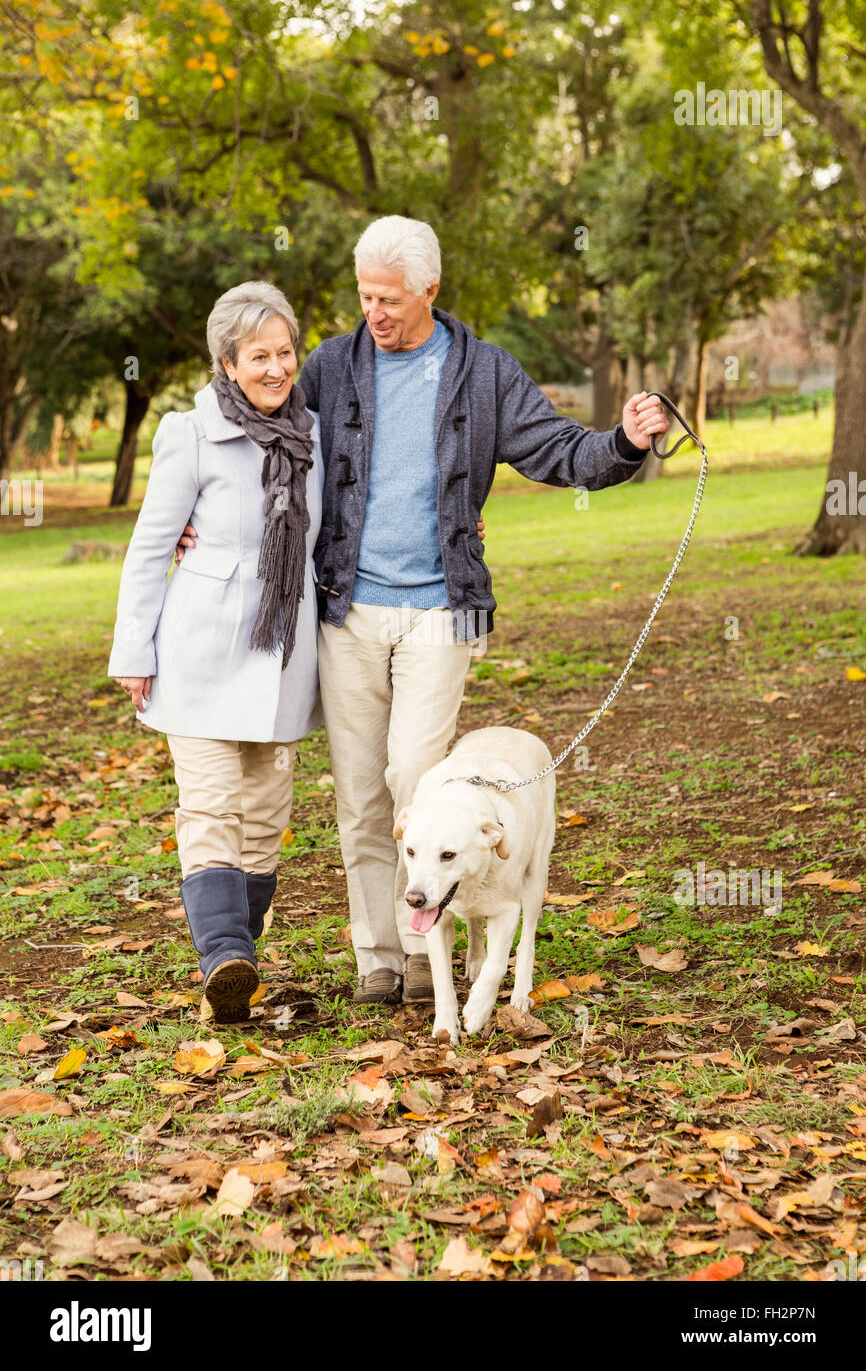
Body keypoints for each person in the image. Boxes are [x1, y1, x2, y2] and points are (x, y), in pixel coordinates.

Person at [179, 216, 670, 1010]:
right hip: (347, 607)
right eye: (365, 296)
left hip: (443, 609)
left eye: (390, 299)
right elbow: (258, 423)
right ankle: (381, 957)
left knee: (414, 776)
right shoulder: (332, 366)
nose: (374, 312)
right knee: (360, 796)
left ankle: (424, 943)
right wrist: (201, 512)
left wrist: (625, 442)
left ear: (430, 291)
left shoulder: (484, 372)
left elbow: (556, 447)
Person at [108, 282, 323, 1024]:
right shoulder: (190, 433)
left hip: (283, 651)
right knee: (210, 804)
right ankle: (223, 956)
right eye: (258, 356)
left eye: (285, 352)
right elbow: (150, 547)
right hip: (202, 650)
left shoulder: (313, 434)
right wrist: (133, 651)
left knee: (264, 815)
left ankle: (239, 964)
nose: (276, 368)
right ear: (227, 363)